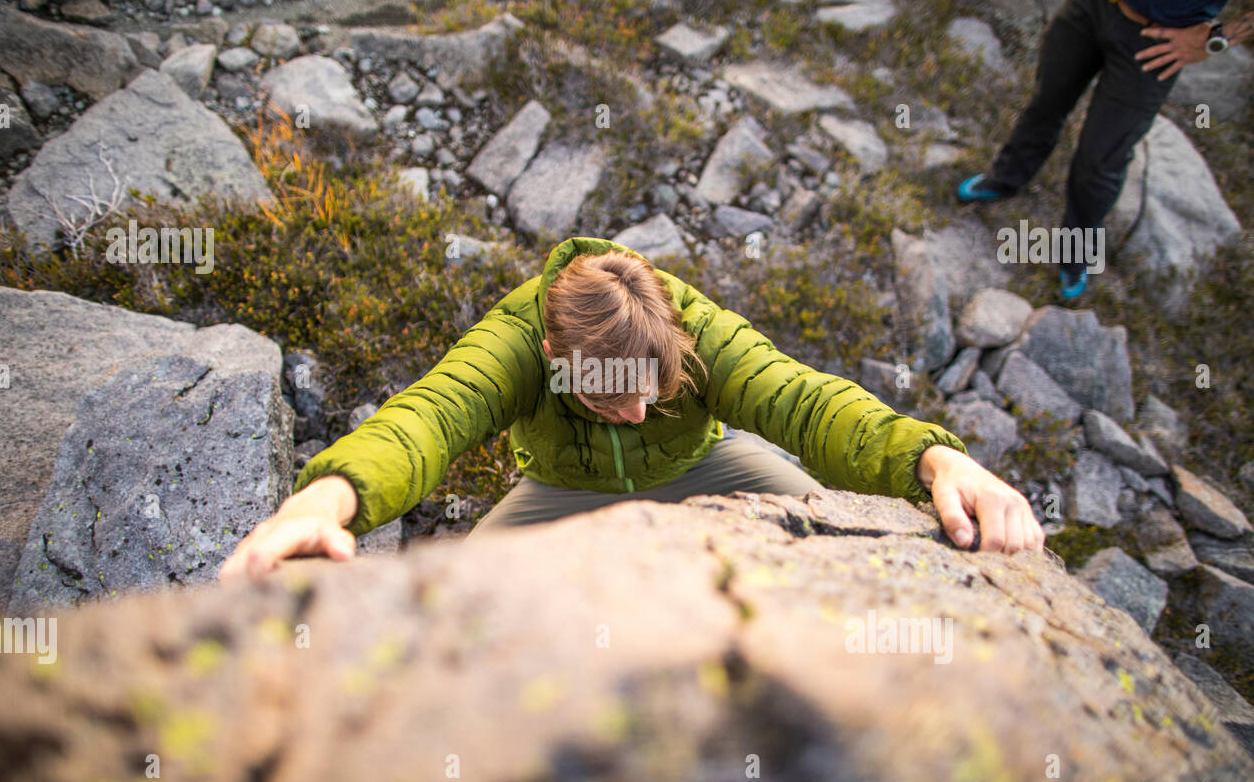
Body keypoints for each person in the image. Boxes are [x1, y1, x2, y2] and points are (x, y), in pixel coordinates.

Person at [221, 237, 1044, 583]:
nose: (638, 408)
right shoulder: (517, 340)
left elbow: (803, 400)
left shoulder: (689, 327)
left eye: (655, 388)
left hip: (702, 469)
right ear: (554, 362)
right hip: (563, 492)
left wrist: (940, 460)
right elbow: (429, 418)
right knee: (472, 598)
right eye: (611, 396)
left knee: (823, 526)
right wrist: (326, 500)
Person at [957, 0, 1254, 300]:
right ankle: (1005, 178)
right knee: (1047, 101)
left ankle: (1076, 254)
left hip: (1155, 42)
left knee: (1100, 160)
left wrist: (1215, 40)